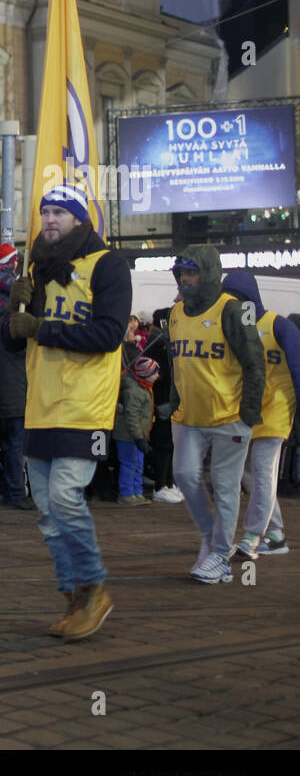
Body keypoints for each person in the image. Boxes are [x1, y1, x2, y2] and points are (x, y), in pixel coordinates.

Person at [0, 184, 131, 641]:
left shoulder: (108, 265)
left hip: (85, 403)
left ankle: (94, 588)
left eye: (59, 212)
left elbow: (110, 335)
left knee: (64, 497)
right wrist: (13, 310)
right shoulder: (37, 268)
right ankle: (73, 595)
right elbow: (13, 342)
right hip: (41, 404)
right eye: (45, 212)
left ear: (78, 218)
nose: (49, 220)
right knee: (46, 511)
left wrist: (41, 326)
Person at [166, 248, 265, 584]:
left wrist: (249, 413)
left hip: (229, 417)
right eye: (182, 273)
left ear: (207, 273)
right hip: (188, 418)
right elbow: (176, 362)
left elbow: (255, 362)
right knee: (184, 474)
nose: (186, 279)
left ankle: (220, 556)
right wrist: (173, 400)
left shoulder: (231, 311)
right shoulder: (176, 313)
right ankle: (211, 539)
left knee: (225, 487)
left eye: (192, 272)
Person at [221, 270, 298, 559]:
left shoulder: (279, 326)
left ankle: (253, 536)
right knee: (249, 473)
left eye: (236, 297)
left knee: (263, 471)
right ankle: (276, 534)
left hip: (277, 409)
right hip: (248, 410)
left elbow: (299, 368)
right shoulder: (236, 329)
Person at [0, 256, 33, 509]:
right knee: (17, 447)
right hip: (17, 397)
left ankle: (15, 489)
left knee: (16, 446)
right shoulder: (9, 328)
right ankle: (14, 492)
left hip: (14, 395)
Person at [146, 307, 182, 504]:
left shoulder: (163, 341)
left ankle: (168, 483)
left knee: (170, 444)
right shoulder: (159, 343)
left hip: (168, 399)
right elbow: (160, 373)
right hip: (162, 400)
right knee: (164, 444)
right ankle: (161, 485)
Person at [114, 356, 158, 507]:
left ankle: (136, 492)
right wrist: (139, 437)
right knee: (129, 463)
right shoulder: (135, 391)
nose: (157, 376)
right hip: (128, 436)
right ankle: (126, 493)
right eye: (154, 373)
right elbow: (132, 417)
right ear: (145, 374)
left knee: (138, 463)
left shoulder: (144, 388)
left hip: (138, 435)